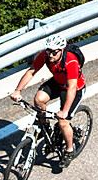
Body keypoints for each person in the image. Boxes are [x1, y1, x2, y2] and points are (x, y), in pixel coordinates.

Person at [9, 33, 85, 168]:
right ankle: (46, 127)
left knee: (63, 122)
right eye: (48, 51)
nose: (50, 55)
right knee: (39, 100)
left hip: (74, 89)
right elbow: (31, 71)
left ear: (61, 50)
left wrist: (64, 111)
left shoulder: (71, 61)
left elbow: (72, 88)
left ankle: (69, 150)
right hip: (58, 83)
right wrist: (18, 90)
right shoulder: (45, 55)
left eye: (54, 52)